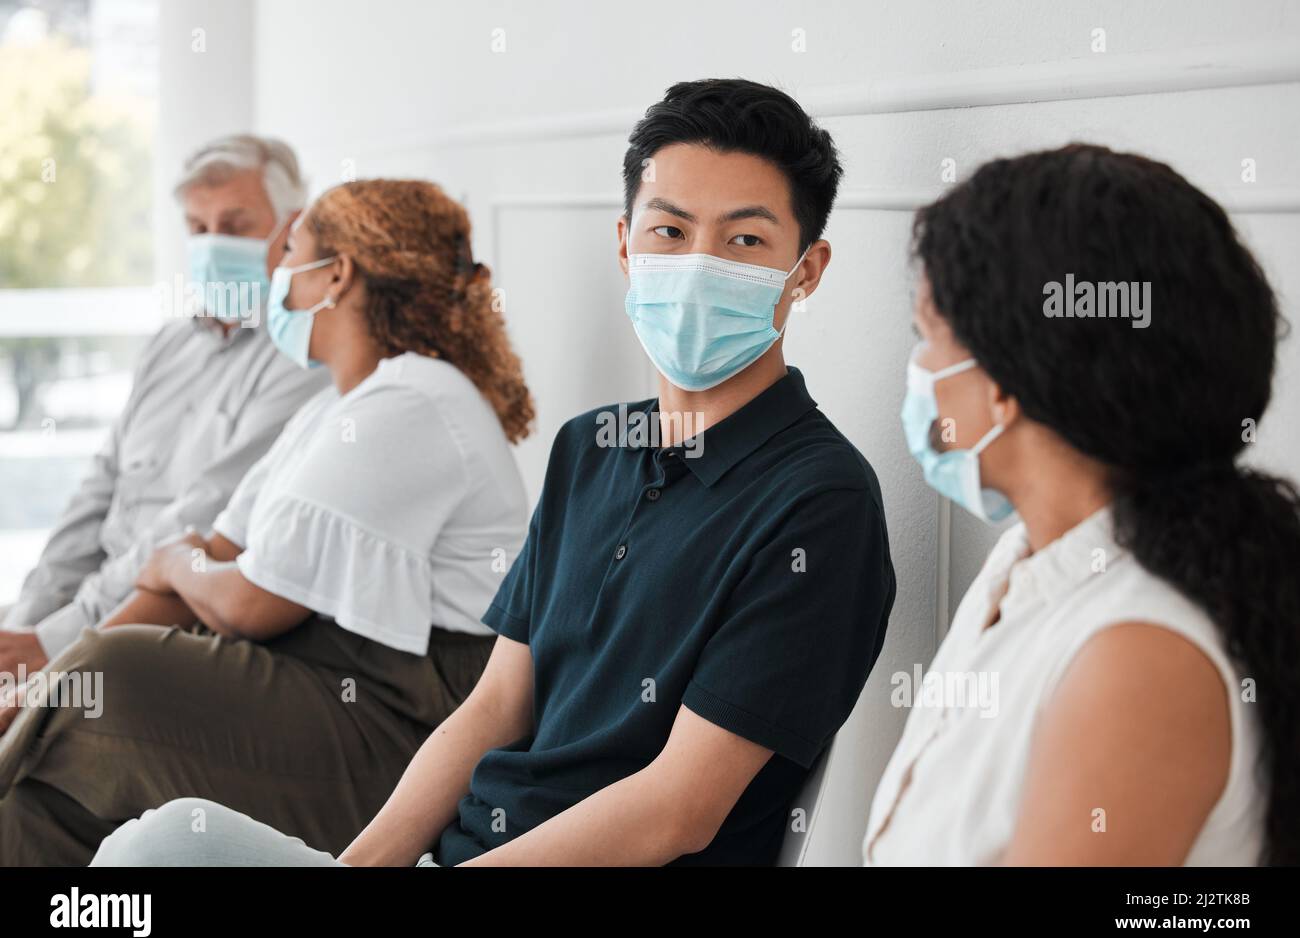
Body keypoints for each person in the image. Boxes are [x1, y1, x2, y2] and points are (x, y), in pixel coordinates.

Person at [89, 78, 896, 868]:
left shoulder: (821, 504)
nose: (698, 266)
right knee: (156, 844)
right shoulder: (591, 449)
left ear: (808, 268)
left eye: (744, 240)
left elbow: (675, 812)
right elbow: (496, 705)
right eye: (670, 232)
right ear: (625, 246)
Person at [0, 179, 534, 865]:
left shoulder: (416, 397)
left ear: (337, 274)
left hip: (401, 733)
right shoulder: (329, 412)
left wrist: (165, 574)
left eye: (292, 253)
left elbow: (248, 603)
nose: (276, 278)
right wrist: (71, 662)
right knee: (42, 800)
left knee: (113, 675)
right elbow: (209, 555)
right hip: (316, 693)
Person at [863, 144, 1300, 866]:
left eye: (928, 339)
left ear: (1002, 383)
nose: (919, 373)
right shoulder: (1031, 561)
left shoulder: (1138, 658)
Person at [0, 134, 326, 674]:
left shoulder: (304, 357)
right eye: (197, 228)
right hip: (81, 610)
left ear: (291, 228)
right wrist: (30, 619)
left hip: (168, 622)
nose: (211, 245)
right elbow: (96, 493)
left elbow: (203, 520)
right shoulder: (168, 344)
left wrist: (56, 640)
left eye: (236, 224)